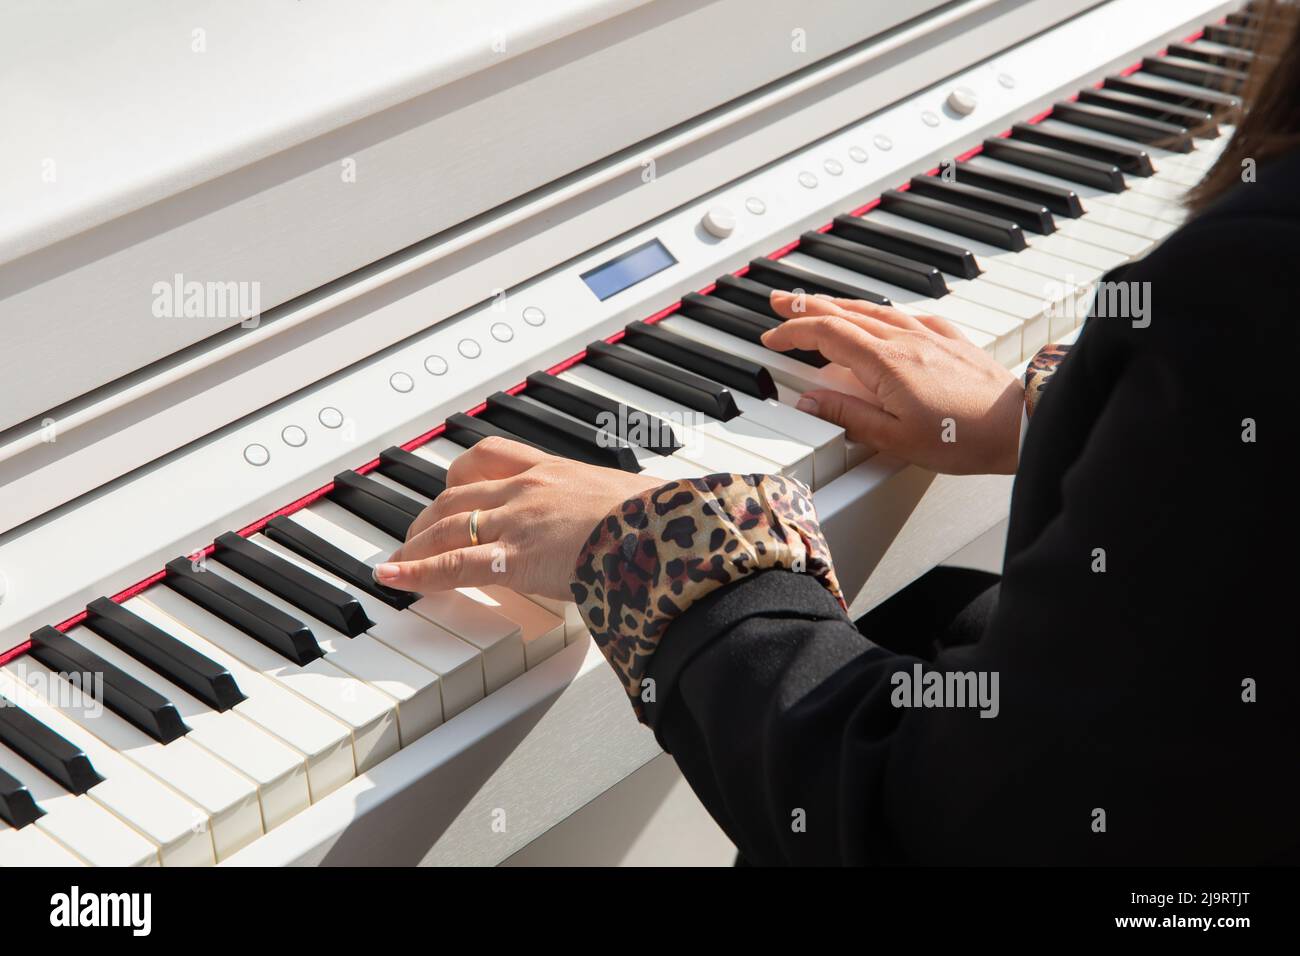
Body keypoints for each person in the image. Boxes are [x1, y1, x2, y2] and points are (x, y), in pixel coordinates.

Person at [375, 2, 1300, 864]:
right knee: (917, 614)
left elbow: (931, 824)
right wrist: (1056, 420)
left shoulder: (1246, 283)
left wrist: (656, 548)